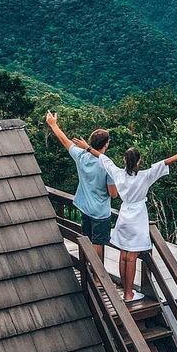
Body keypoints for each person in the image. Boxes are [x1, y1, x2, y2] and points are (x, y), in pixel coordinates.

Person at [72, 138, 177, 302]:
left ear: (124, 160)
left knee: (123, 255)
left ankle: (126, 292)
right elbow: (162, 164)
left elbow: (102, 158)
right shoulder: (144, 176)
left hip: (124, 216)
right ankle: (129, 294)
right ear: (139, 161)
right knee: (132, 257)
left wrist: (87, 147)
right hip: (137, 217)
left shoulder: (117, 173)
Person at [45, 111, 118, 260]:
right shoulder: (107, 166)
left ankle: (87, 268)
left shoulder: (81, 156)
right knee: (98, 243)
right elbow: (113, 194)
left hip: (85, 207)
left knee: (87, 240)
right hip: (100, 212)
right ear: (106, 144)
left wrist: (53, 124)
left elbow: (64, 140)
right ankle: (97, 272)